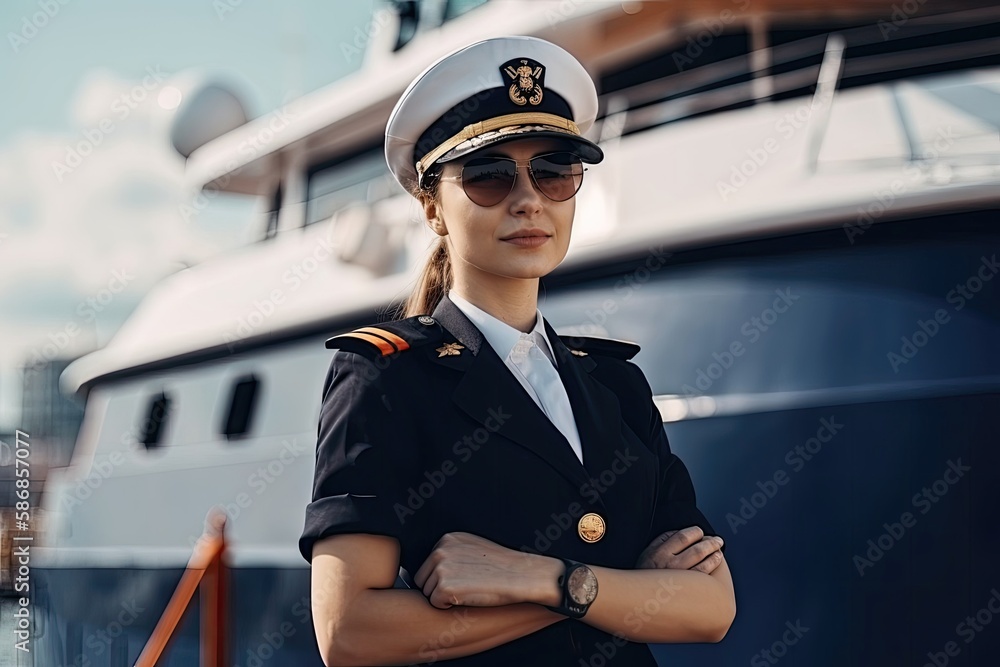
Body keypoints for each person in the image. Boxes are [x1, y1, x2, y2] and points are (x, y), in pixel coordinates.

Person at [299, 35, 735, 667]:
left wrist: (539, 578)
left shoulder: (616, 384)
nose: (528, 199)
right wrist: (621, 588)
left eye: (555, 172)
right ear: (433, 210)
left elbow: (711, 608)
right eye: (488, 176)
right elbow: (348, 632)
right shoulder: (386, 378)